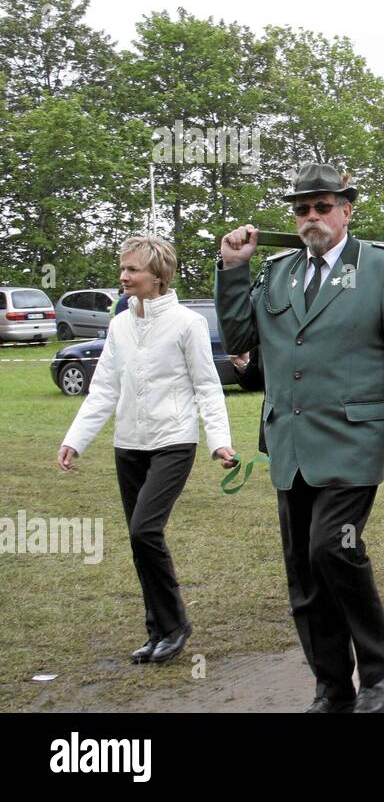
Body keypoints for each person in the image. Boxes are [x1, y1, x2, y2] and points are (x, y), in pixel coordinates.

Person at [216, 163, 384, 713]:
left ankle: (380, 673)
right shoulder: (279, 271)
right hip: (290, 445)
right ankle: (331, 686)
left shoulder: (382, 269)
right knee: (304, 572)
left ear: (346, 210)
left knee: (332, 550)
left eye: (322, 206)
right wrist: (232, 269)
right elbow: (241, 336)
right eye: (302, 209)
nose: (311, 217)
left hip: (352, 440)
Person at [58, 235, 235, 666]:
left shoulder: (187, 323)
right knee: (140, 542)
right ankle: (156, 631)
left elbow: (207, 387)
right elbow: (103, 389)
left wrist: (220, 442)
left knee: (144, 531)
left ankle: (175, 626)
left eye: (132, 270)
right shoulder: (119, 324)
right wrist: (74, 439)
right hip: (129, 445)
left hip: (173, 442)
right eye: (122, 268)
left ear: (158, 275)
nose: (123, 276)